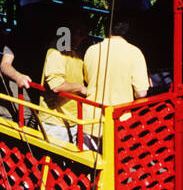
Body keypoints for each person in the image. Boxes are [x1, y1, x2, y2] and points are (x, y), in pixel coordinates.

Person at [82, 19, 149, 143]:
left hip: (90, 120)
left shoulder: (91, 50)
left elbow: (87, 79)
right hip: (120, 122)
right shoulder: (135, 53)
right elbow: (141, 93)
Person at [38, 16, 90, 146]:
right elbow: (56, 85)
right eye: (80, 33)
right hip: (55, 123)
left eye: (85, 34)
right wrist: (80, 88)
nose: (83, 38)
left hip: (71, 120)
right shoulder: (57, 50)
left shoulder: (75, 52)